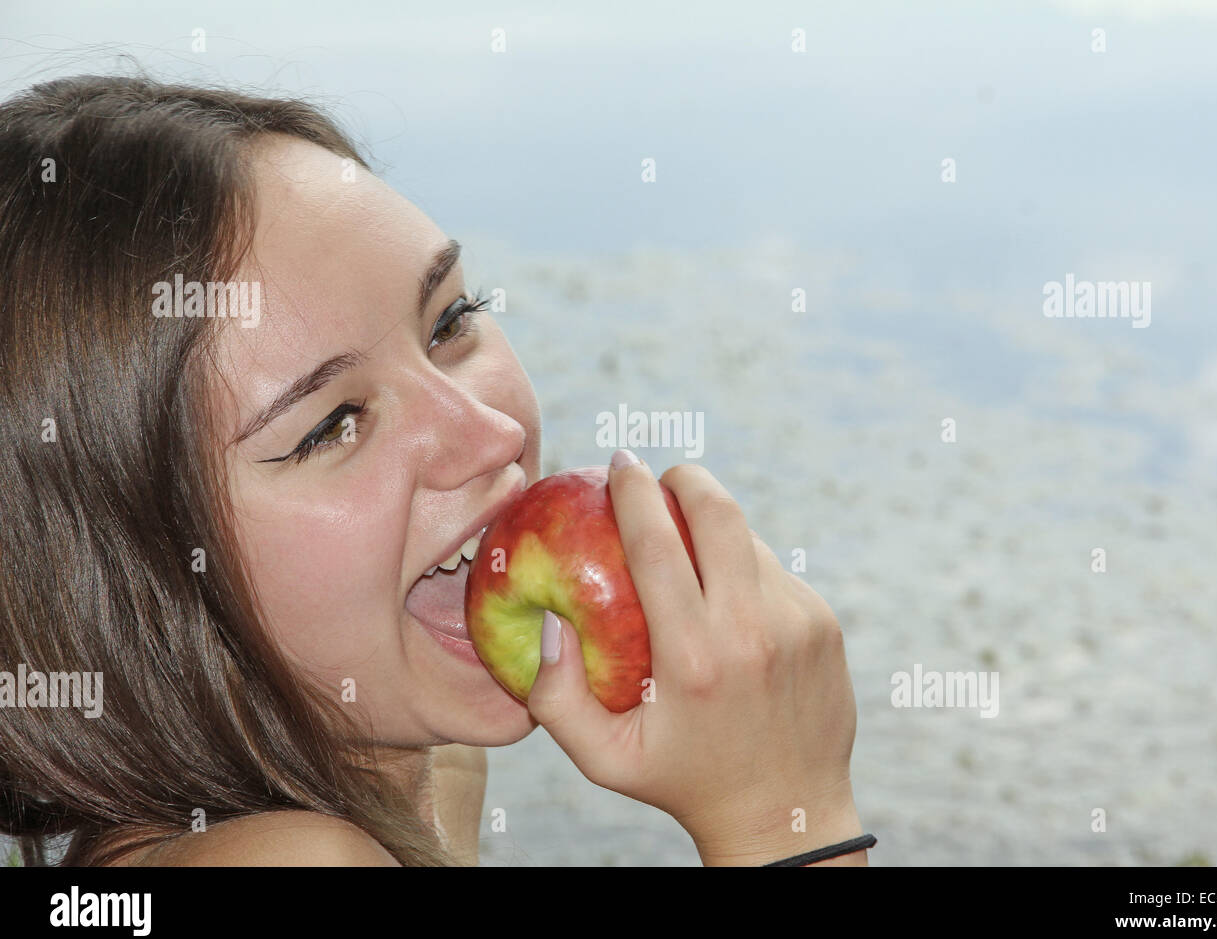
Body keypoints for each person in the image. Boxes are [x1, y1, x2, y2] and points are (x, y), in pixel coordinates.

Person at [0, 73, 867, 866]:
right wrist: (781, 816)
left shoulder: (424, 767)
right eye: (332, 425)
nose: (488, 432)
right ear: (119, 578)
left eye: (452, 319)